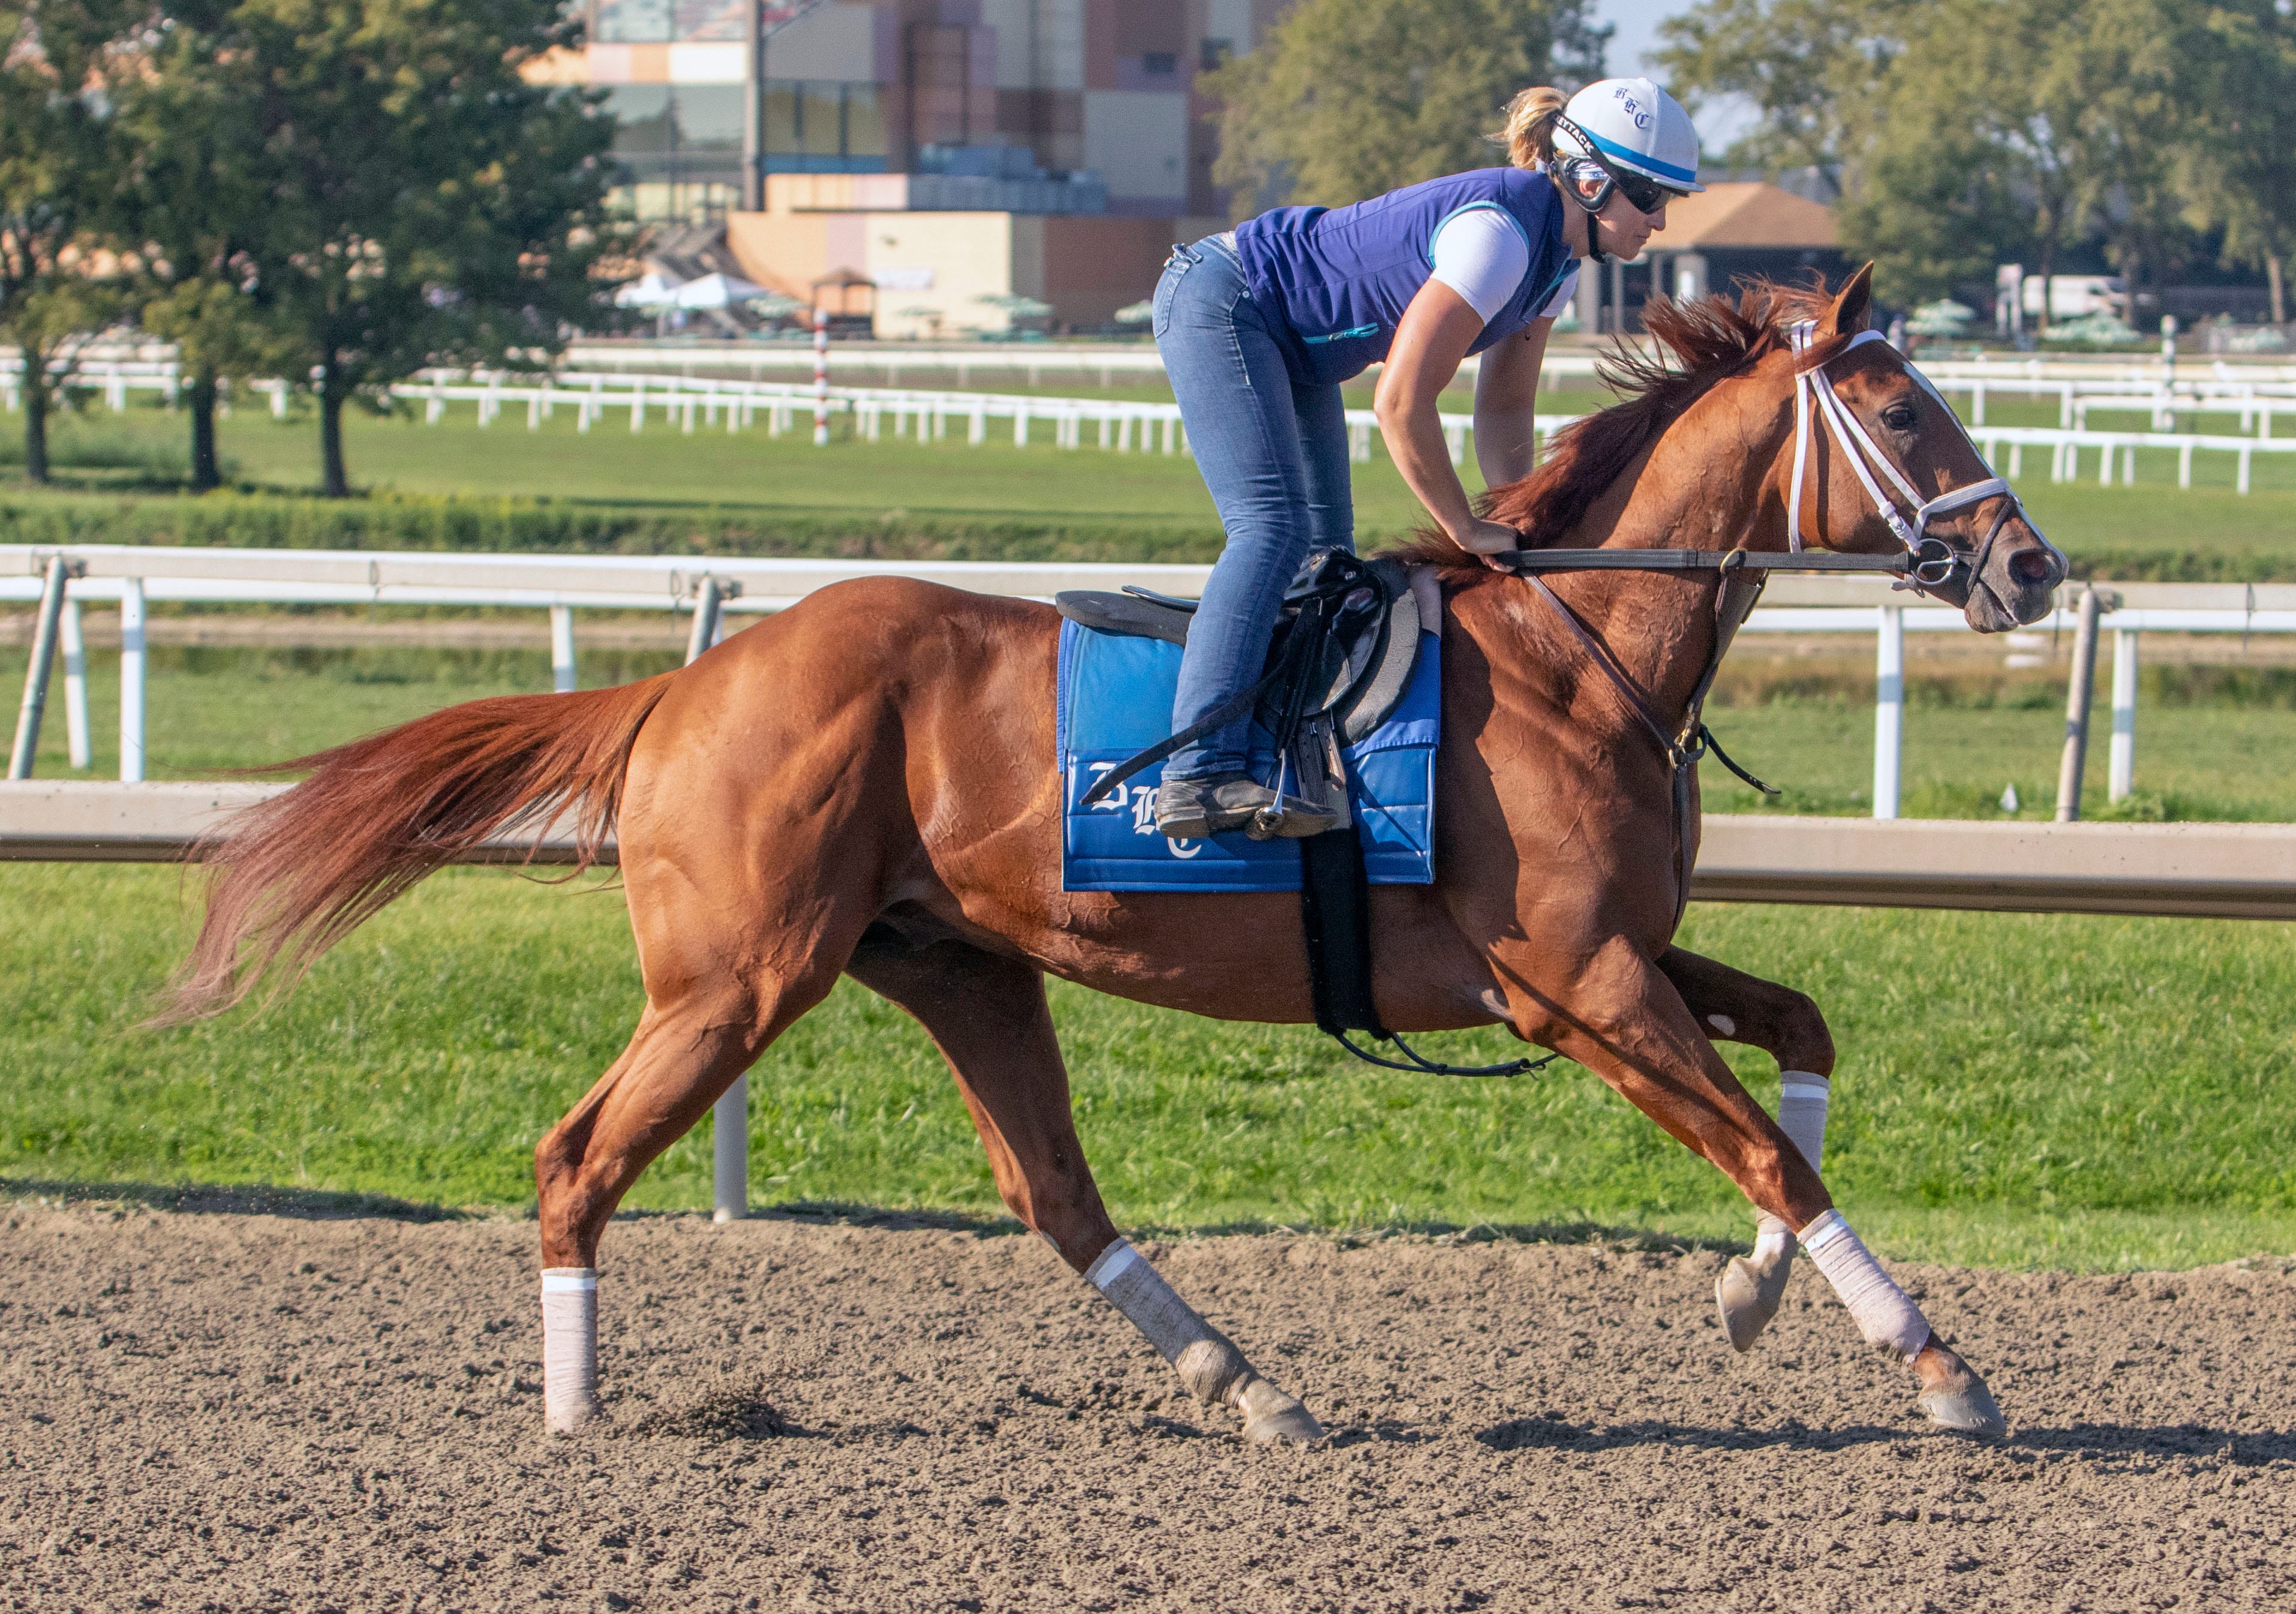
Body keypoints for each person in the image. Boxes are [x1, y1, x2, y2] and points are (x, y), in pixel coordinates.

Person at [1148, 77, 1704, 840]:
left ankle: (1285, 754)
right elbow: (1401, 403)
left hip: (1286, 339)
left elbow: (1504, 411)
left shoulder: (1558, 264)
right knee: (1271, 532)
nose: (1661, 222)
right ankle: (1198, 774)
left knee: (1326, 560)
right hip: (1225, 298)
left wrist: (1525, 522)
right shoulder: (1500, 237)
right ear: (1591, 179)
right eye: (1650, 199)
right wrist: (1466, 530)